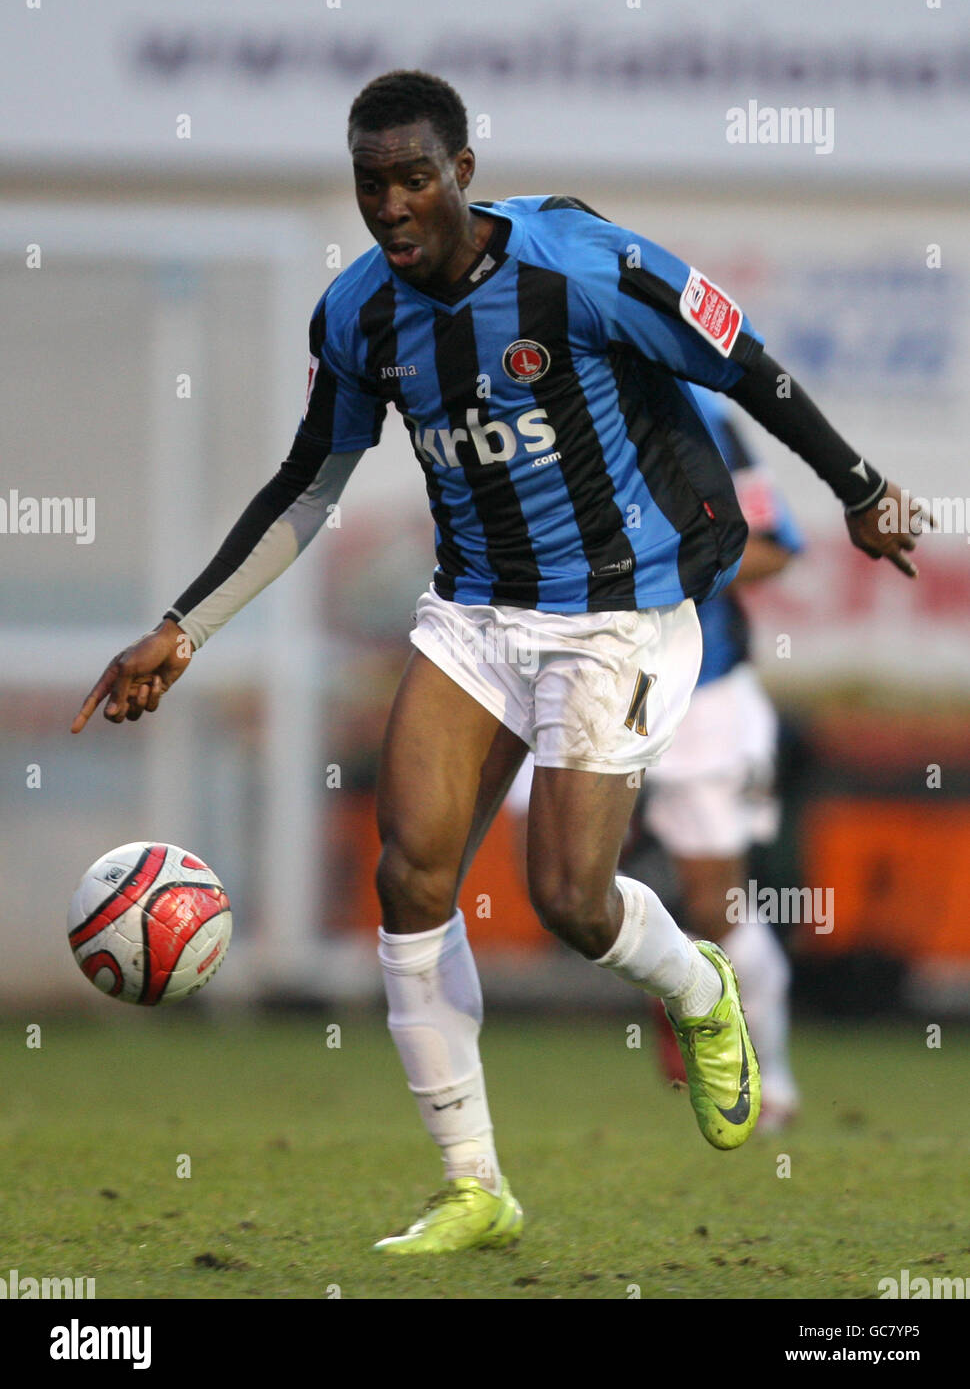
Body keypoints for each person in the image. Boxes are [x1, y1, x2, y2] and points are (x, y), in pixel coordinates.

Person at [72, 70, 921, 1255]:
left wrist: (863, 490)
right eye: (373, 184)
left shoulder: (578, 264)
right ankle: (474, 1183)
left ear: (462, 171)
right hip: (473, 612)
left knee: (570, 900)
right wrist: (184, 625)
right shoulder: (358, 313)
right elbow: (309, 480)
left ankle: (696, 989)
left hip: (615, 615)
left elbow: (744, 361)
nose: (392, 206)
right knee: (411, 877)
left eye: (414, 178)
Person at [505, 384, 803, 1127]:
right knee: (554, 882)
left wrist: (657, 566)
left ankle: (768, 1079)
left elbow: (769, 547)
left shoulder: (699, 415)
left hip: (700, 689)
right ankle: (677, 973)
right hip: (574, 679)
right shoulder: (519, 401)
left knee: (716, 903)